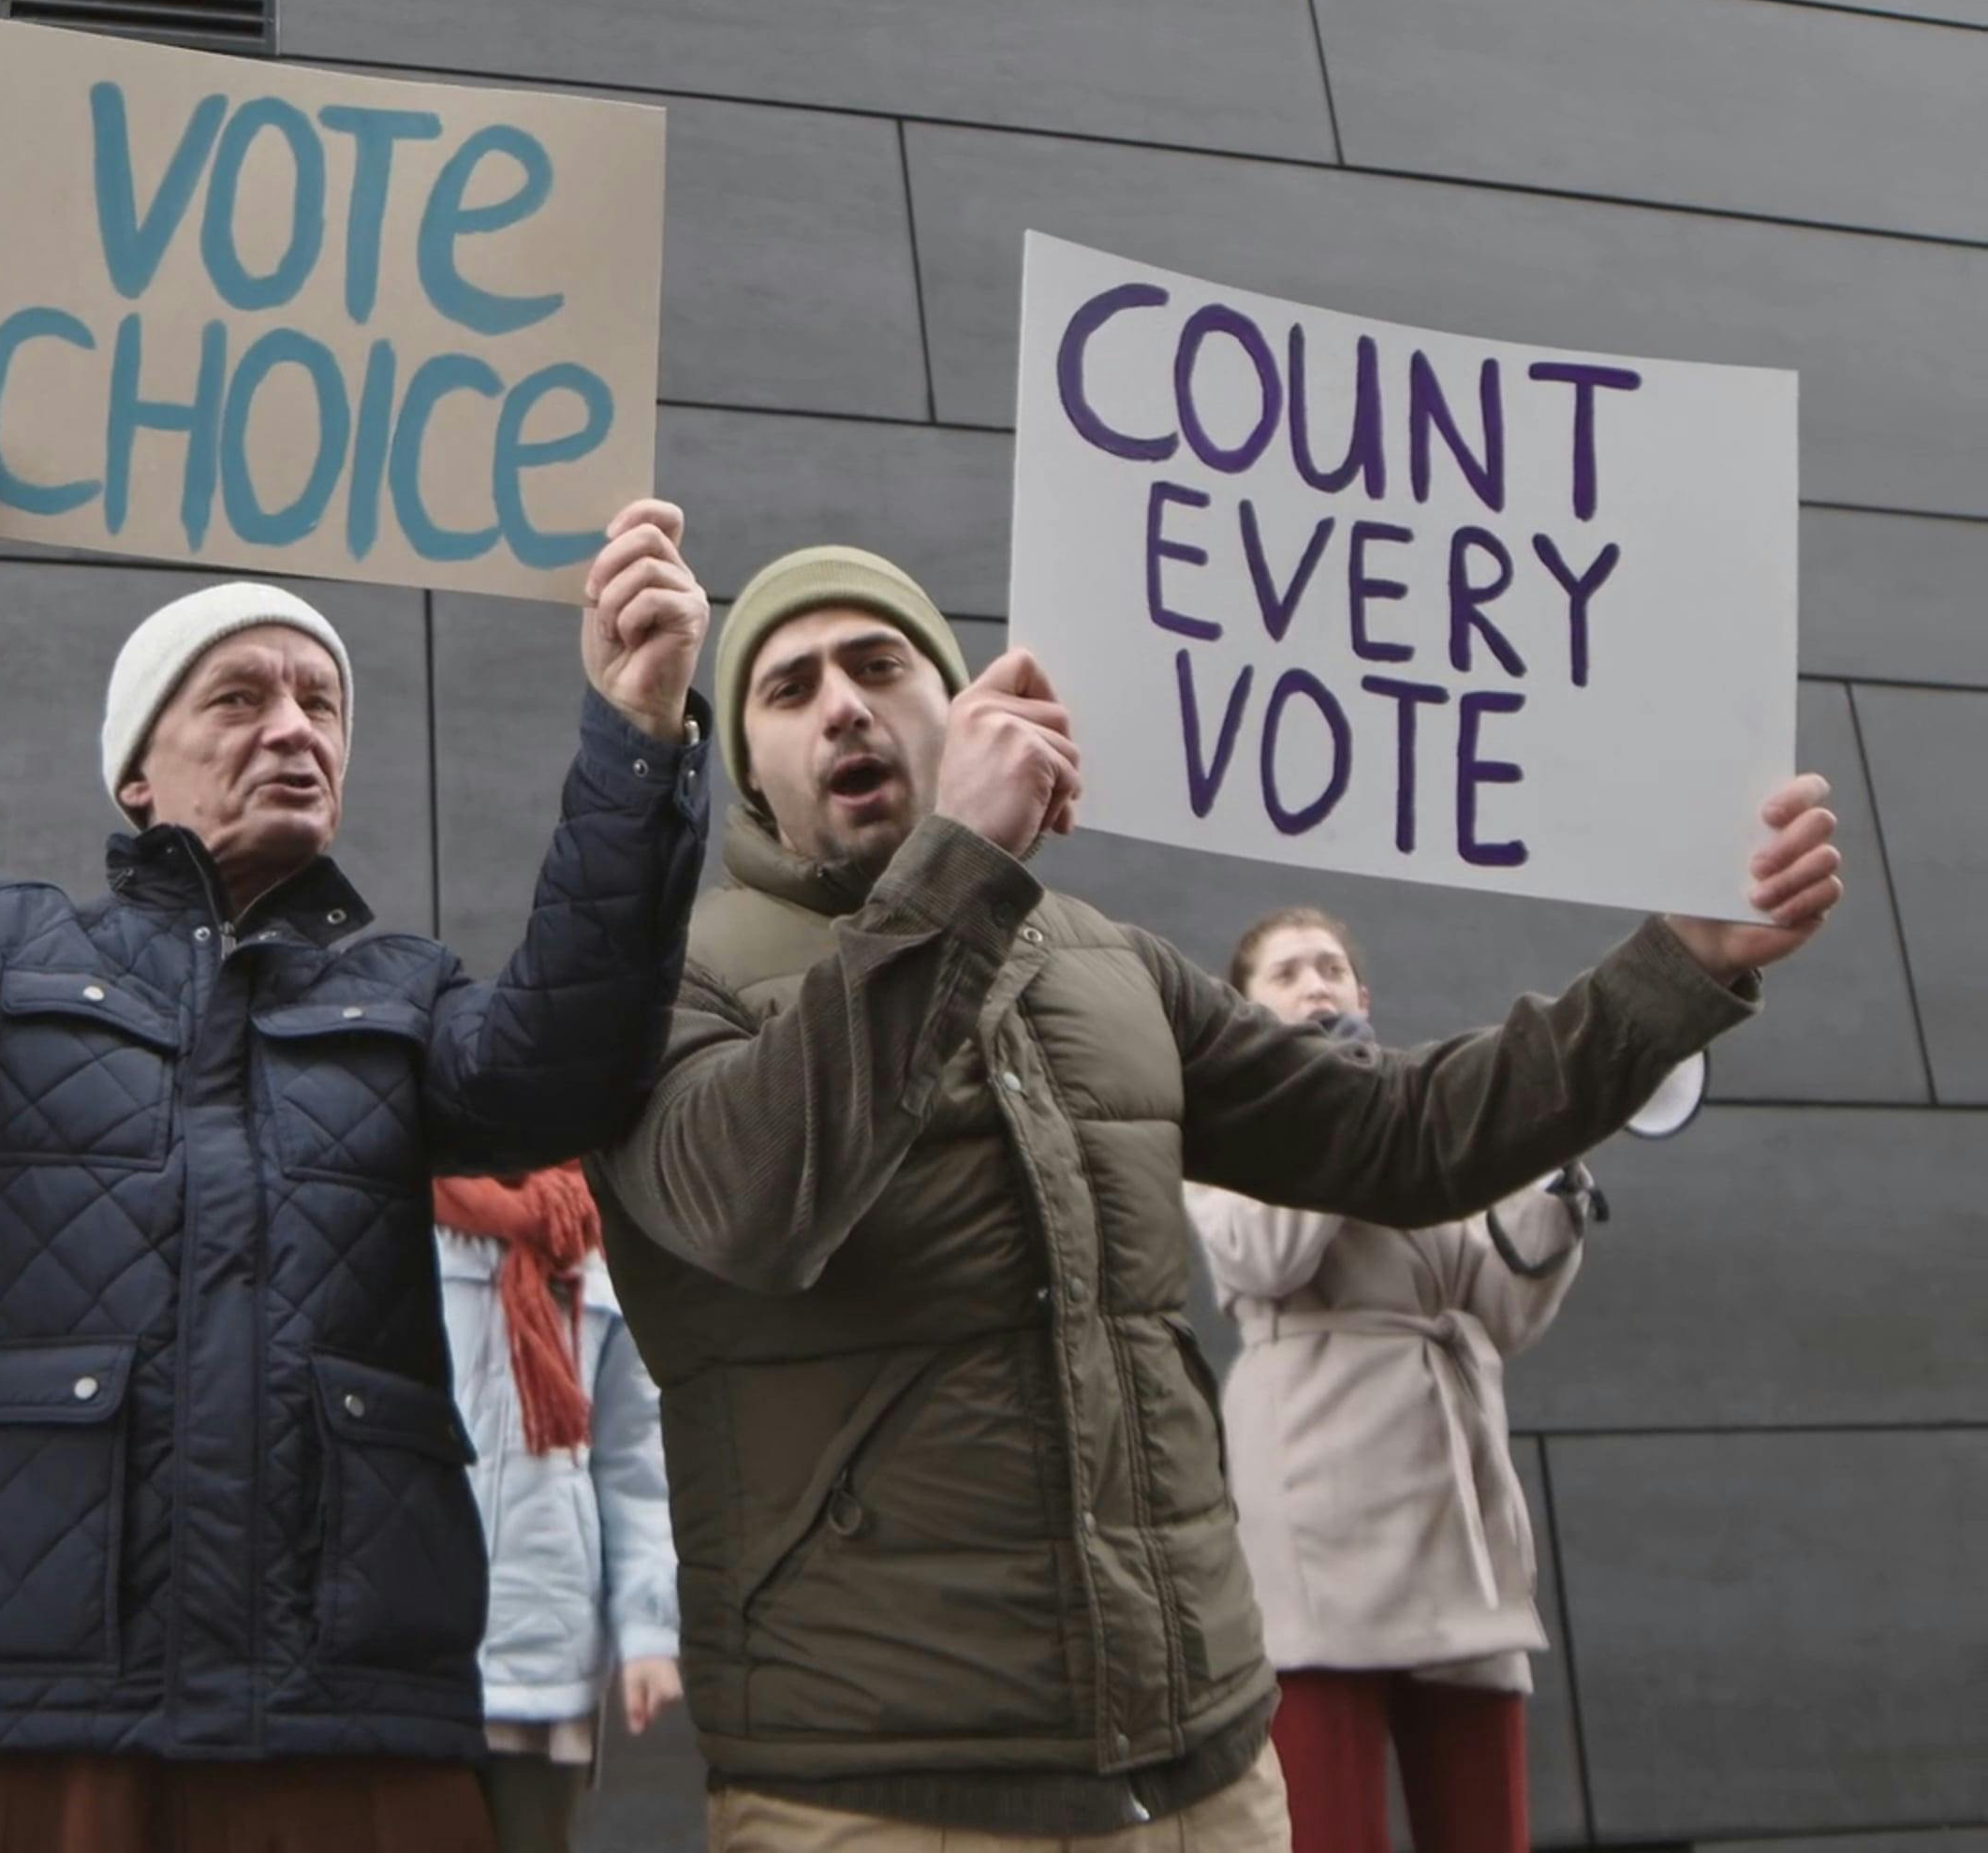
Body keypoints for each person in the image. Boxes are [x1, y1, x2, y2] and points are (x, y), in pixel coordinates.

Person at [582, 544, 1842, 1852]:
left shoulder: (1106, 962)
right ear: (753, 776)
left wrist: (1677, 970)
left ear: (962, 710)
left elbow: (1401, 1137)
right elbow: (755, 1202)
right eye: (789, 688)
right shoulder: (669, 980)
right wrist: (960, 863)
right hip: (873, 1789)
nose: (842, 703)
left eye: (880, 664)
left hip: (1205, 1773)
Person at [0, 406, 714, 1853]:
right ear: (137, 772)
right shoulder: (5, 952)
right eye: (240, 699)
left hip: (337, 1709)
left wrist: (636, 739)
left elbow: (561, 1079)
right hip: (26, 1700)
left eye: (322, 702)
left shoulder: (407, 994)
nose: (296, 726)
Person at [1186, 907, 1601, 1853]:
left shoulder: (1420, 1115)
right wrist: (1328, 1102)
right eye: (1287, 973)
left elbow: (1495, 1308)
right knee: (1334, 1824)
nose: (1315, 983)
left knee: (1484, 1822)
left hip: (1454, 1508)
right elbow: (1263, 1258)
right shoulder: (1219, 1126)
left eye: (1330, 966)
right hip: (1319, 1497)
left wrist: (1552, 1192)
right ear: (1247, 1011)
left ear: (1364, 996)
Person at [433, 1160, 684, 1853]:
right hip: (408, 1653)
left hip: (546, 1651)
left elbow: (635, 1463)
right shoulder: (395, 1235)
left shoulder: (594, 1254)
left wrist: (649, 1631)